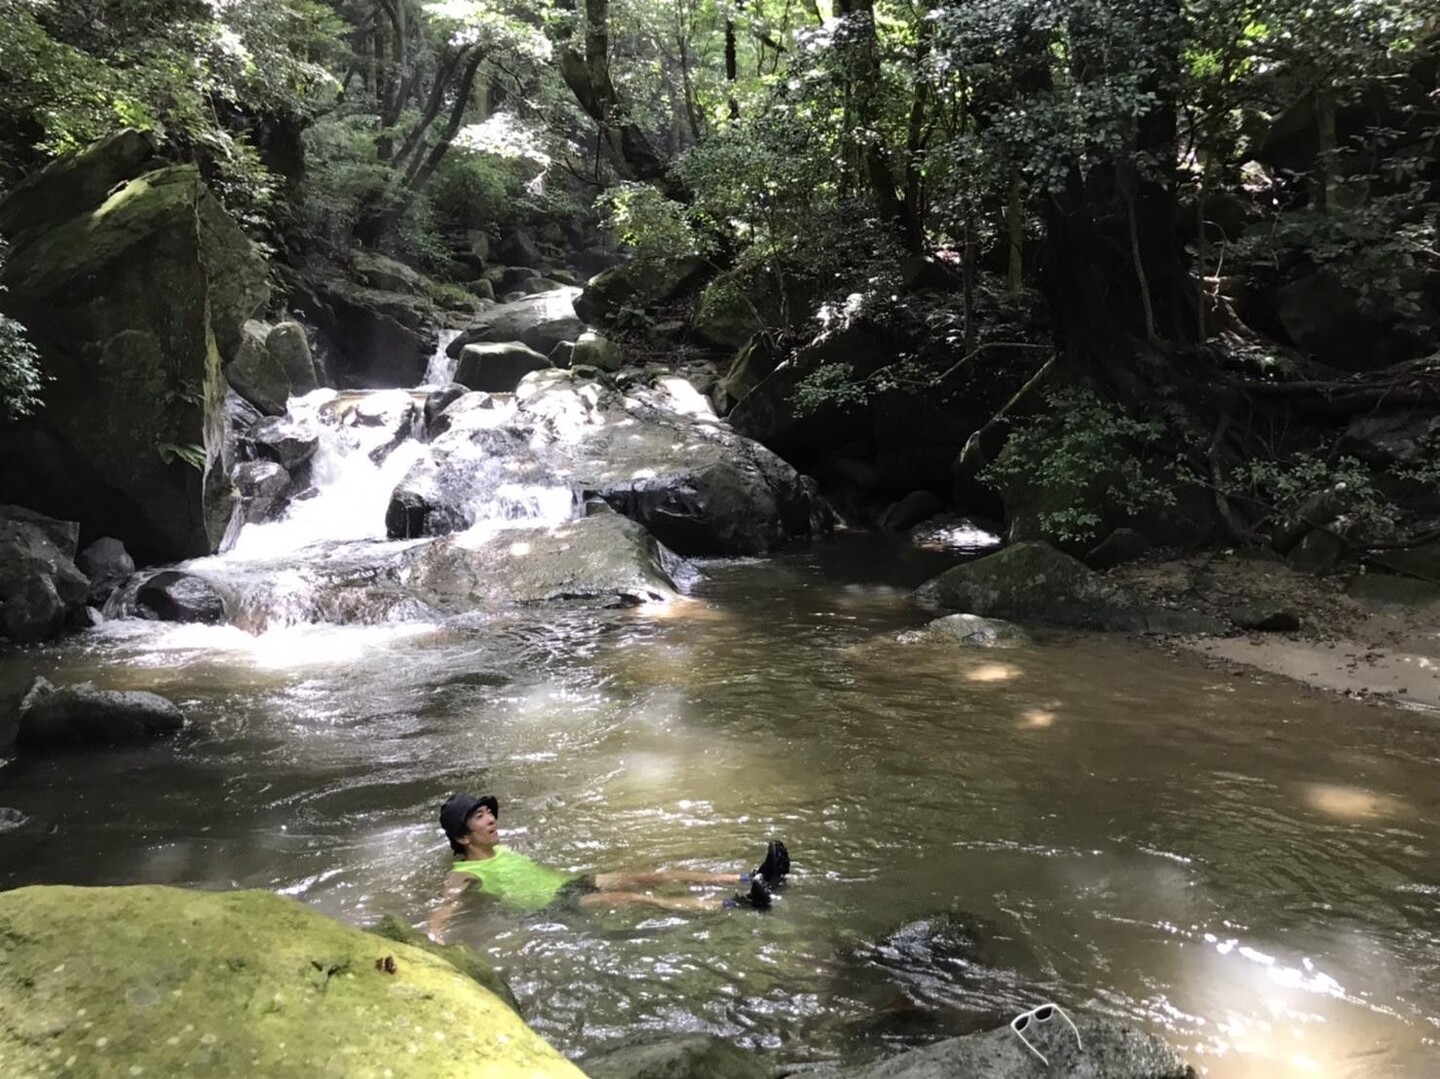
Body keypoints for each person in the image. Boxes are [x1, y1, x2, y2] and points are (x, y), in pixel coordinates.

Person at [426, 792, 790, 942]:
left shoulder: (503, 848)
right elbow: (446, 907)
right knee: (633, 897)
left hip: (570, 883)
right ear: (462, 837)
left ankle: (751, 876)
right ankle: (739, 904)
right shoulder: (463, 873)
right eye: (479, 815)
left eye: (490, 812)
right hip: (551, 907)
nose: (491, 818)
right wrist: (433, 940)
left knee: (652, 875)